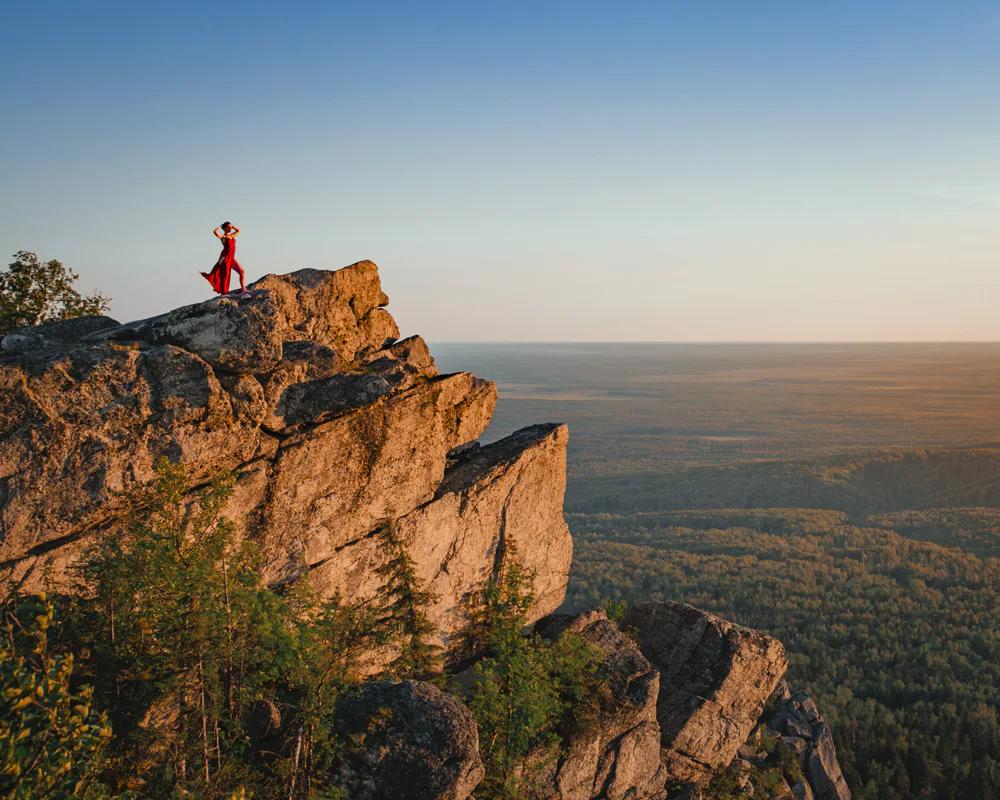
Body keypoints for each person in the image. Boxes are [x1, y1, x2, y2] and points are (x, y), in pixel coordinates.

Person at [201, 221, 249, 296]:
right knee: (225, 275)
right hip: (225, 258)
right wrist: (220, 227)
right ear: (225, 228)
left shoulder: (232, 235)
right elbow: (215, 232)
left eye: (231, 227)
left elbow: (238, 230)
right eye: (229, 227)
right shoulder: (223, 237)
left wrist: (232, 226)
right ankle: (224, 293)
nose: (230, 228)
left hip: (231, 258)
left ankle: (243, 289)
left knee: (241, 271)